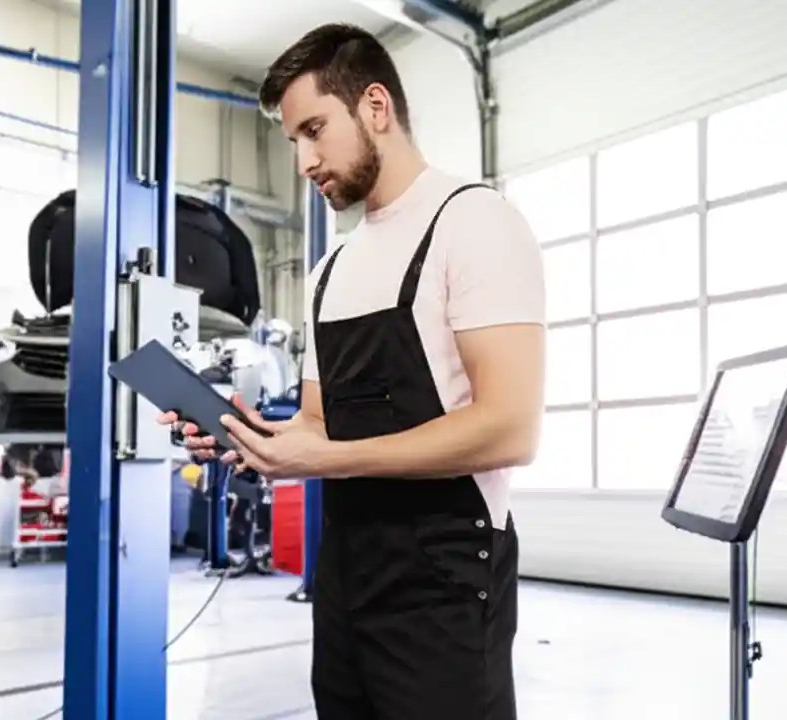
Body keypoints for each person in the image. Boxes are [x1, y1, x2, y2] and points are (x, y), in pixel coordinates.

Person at [160, 23, 546, 720]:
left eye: (314, 129)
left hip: (446, 578)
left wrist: (329, 456)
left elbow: (509, 429)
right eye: (292, 142)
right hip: (344, 571)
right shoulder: (328, 271)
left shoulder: (474, 222)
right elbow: (315, 427)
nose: (305, 160)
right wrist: (248, 439)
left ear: (376, 107)